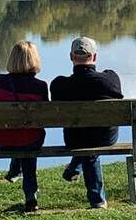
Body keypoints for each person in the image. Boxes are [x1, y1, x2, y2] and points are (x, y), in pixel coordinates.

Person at [50, 36, 122, 209]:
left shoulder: (59, 85)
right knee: (92, 141)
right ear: (95, 57)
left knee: (86, 140)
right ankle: (96, 199)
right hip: (106, 138)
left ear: (71, 57)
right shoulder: (110, 80)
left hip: (74, 139)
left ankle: (78, 173)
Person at [0, 40, 49, 213]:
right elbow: (44, 118)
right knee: (29, 138)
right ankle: (30, 195)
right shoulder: (40, 86)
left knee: (20, 135)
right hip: (30, 141)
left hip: (3, 140)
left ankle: (15, 169)